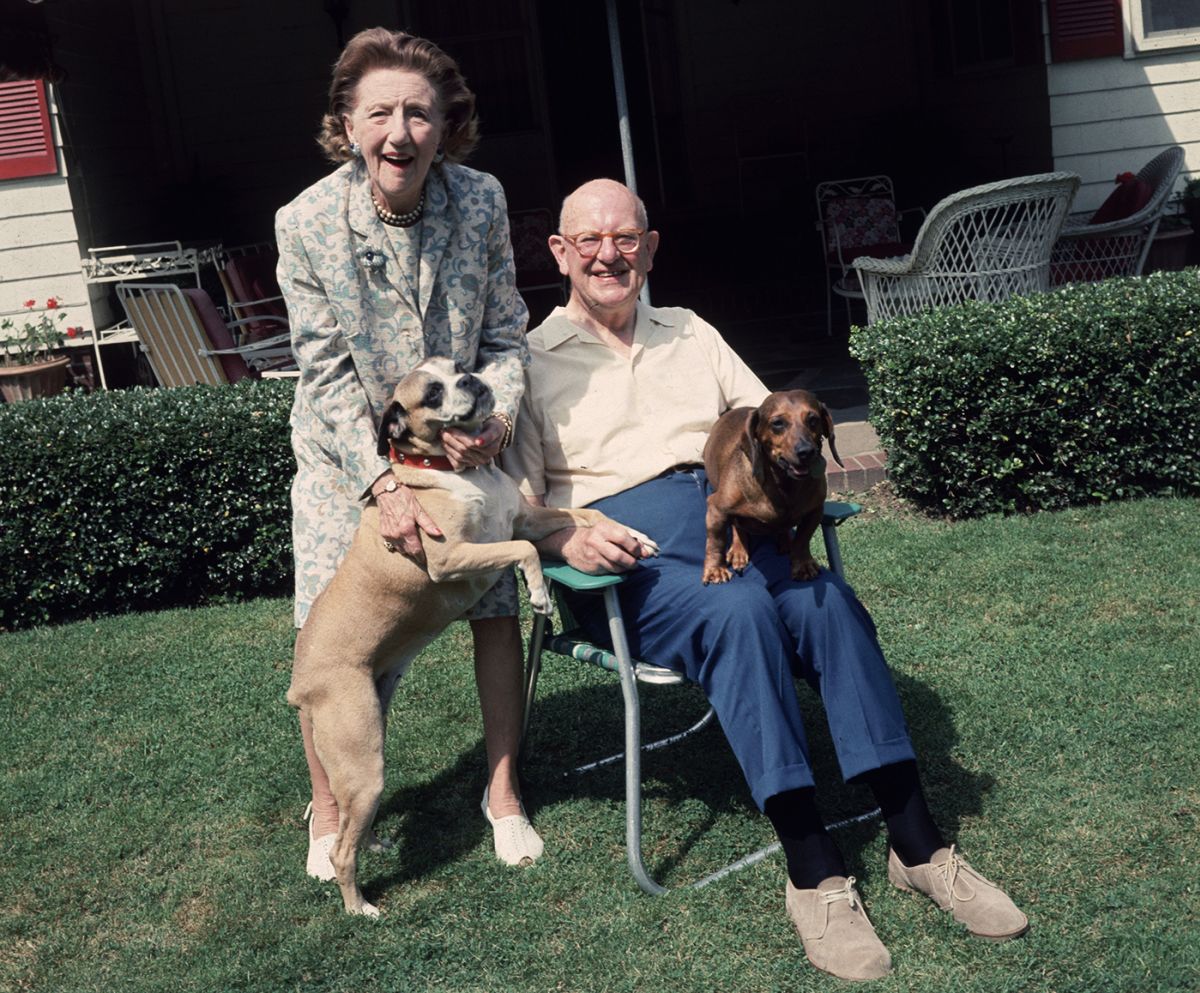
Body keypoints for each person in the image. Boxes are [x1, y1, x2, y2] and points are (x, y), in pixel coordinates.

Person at [503, 179, 1028, 982]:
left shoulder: (691, 332)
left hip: (742, 518)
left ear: (649, 245)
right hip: (628, 552)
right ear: (560, 253)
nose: (609, 254)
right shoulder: (531, 361)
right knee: (740, 613)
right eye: (590, 241)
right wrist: (565, 527)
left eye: (626, 238)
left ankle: (919, 846)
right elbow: (517, 500)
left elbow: (772, 420)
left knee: (827, 604)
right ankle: (814, 871)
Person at [276, 27, 542, 881]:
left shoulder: (483, 200)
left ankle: (502, 792)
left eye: (419, 113)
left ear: (446, 124)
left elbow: (506, 332)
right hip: (345, 454)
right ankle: (327, 806)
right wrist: (380, 480)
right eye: (380, 112)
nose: (400, 132)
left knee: (495, 596)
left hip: (465, 441)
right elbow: (321, 375)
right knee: (328, 629)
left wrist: (495, 422)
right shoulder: (307, 222)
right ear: (346, 124)